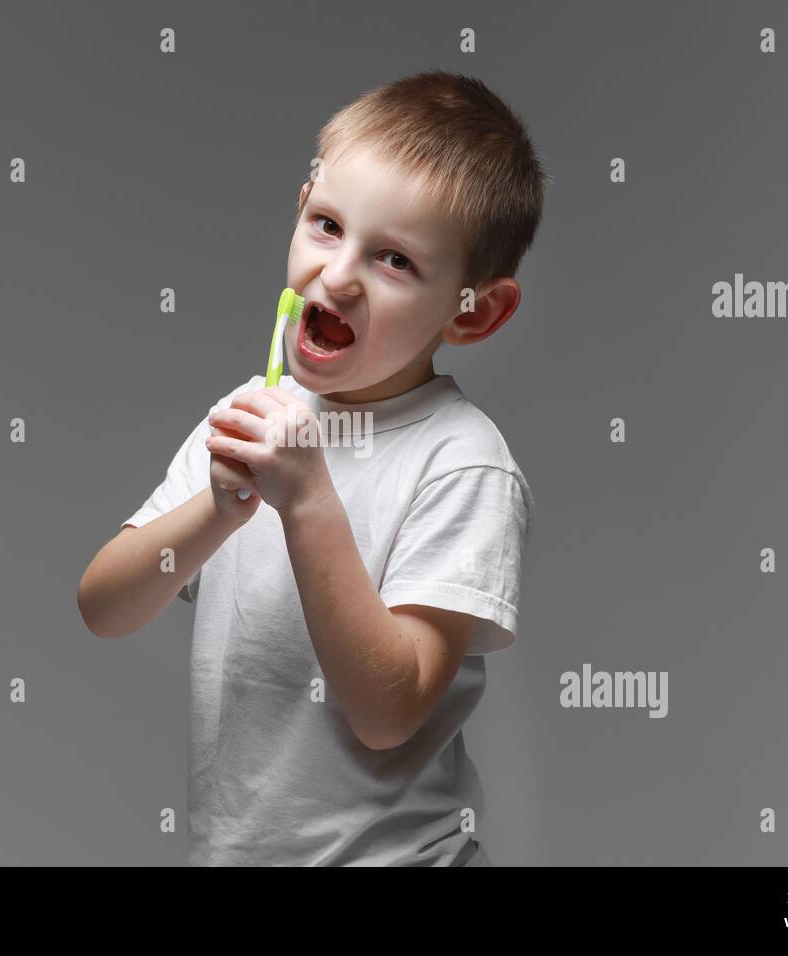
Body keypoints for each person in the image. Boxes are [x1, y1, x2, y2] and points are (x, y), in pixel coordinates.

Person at [78, 70, 548, 866]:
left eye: (395, 261)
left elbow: (388, 712)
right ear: (299, 211)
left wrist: (307, 500)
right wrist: (216, 512)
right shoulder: (251, 416)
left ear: (477, 312)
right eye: (328, 226)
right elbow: (104, 607)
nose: (338, 277)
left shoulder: (462, 464)